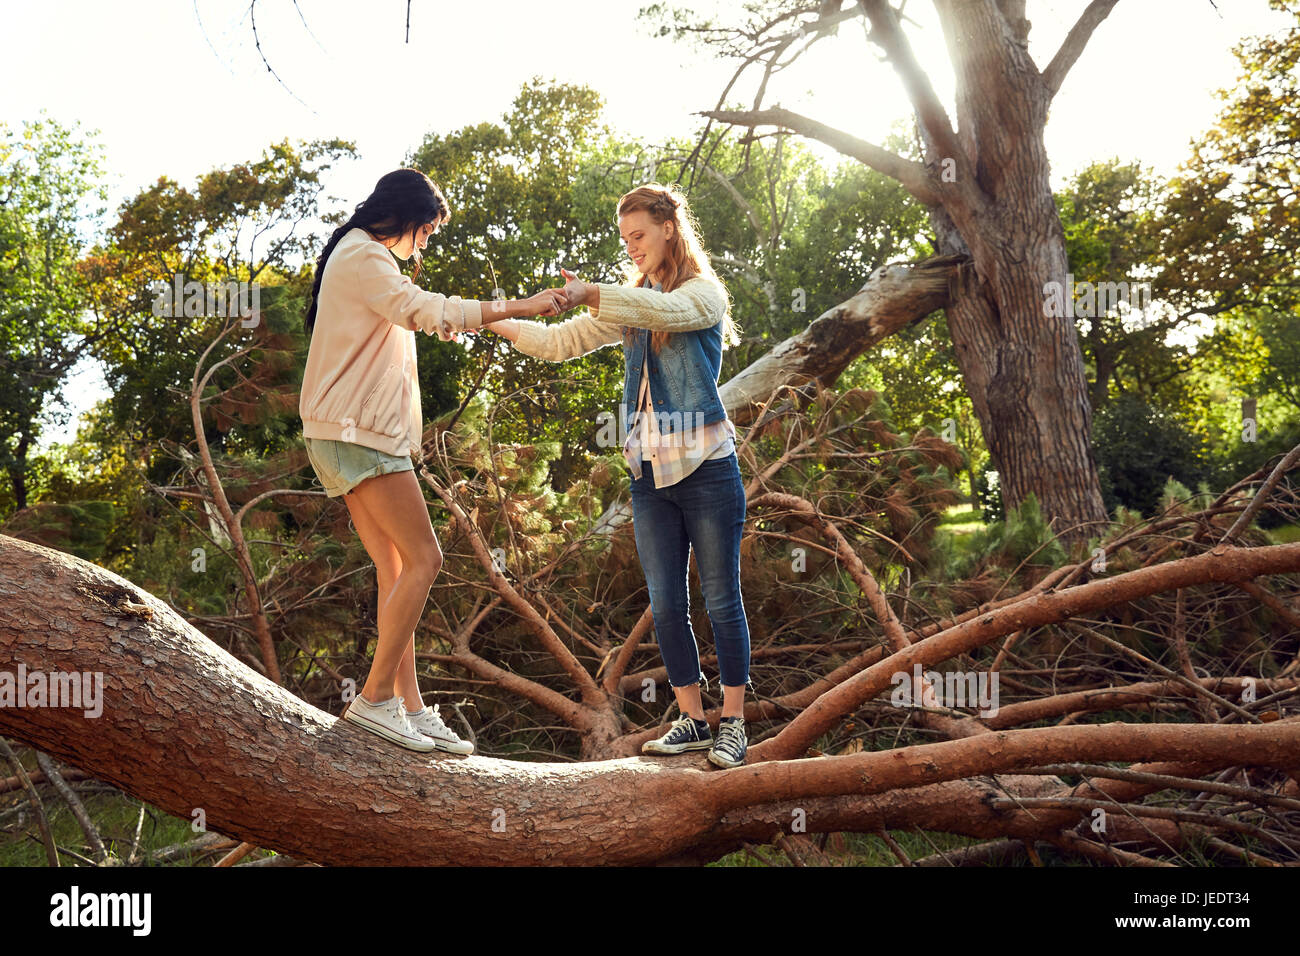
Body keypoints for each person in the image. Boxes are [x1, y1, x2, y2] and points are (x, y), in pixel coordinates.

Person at [484, 183, 754, 768]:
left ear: (668, 229)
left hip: (708, 470)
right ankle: (692, 719)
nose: (631, 247)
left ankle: (733, 722)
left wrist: (593, 293)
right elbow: (559, 343)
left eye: (639, 236)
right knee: (664, 604)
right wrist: (496, 318)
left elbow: (670, 313)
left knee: (722, 600)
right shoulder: (629, 305)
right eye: (624, 239)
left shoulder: (702, 295)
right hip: (650, 476)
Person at [299, 168, 562, 754]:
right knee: (426, 558)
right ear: (408, 220)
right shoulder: (366, 255)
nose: (426, 245)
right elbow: (425, 308)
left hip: (345, 431)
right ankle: (373, 701)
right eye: (428, 233)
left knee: (396, 572)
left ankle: (408, 707)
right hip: (358, 433)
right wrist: (526, 305)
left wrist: (433, 318)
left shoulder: (359, 256)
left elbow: (411, 313)